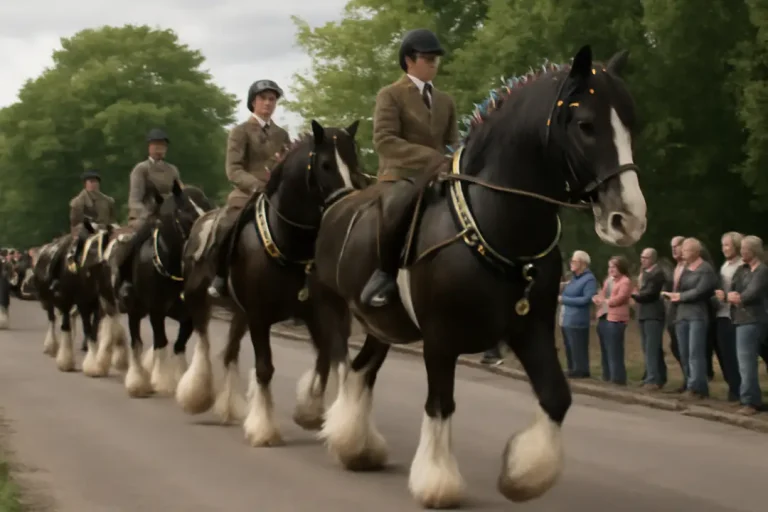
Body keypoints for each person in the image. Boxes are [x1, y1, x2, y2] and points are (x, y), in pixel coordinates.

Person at [358, 28, 459, 308]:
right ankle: (384, 274)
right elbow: (385, 140)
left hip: (440, 175)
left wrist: (456, 159)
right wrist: (431, 158)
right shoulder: (390, 95)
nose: (434, 64)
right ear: (409, 60)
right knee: (398, 207)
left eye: (436, 59)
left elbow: (452, 142)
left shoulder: (446, 101)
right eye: (428, 58)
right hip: (400, 176)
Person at [207, 79, 291, 298]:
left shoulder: (282, 134)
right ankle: (220, 277)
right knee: (227, 224)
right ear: (253, 102)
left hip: (277, 195)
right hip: (246, 193)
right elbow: (233, 170)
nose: (268, 103)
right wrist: (256, 186)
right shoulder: (240, 131)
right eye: (263, 98)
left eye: (272, 99)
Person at [116, 128, 182, 301]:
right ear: (149, 147)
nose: (160, 149)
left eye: (163, 145)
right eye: (156, 145)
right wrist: (148, 214)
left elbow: (179, 194)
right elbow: (134, 200)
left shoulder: (172, 170)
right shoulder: (141, 169)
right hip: (145, 215)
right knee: (134, 240)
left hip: (168, 215)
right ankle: (126, 280)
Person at [663, 237, 717, 398]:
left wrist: (679, 296)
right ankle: (689, 383)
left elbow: (700, 291)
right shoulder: (684, 268)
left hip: (697, 315)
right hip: (681, 315)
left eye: (686, 250)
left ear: (695, 252)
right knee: (684, 352)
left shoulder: (705, 269)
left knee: (695, 352)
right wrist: (672, 296)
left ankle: (698, 388)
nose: (682, 252)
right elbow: (678, 288)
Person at [48, 170, 116, 294]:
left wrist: (113, 226)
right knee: (62, 248)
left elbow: (111, 218)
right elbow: (75, 222)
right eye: (90, 182)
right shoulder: (78, 201)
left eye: (95, 182)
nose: (93, 184)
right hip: (84, 229)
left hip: (105, 229)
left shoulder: (108, 200)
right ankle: (55, 279)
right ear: (85, 184)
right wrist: (91, 226)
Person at [727, 235, 768, 415]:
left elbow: (752, 293)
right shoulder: (742, 270)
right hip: (740, 318)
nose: (741, 252)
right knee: (743, 361)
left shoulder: (762, 271)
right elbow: (733, 287)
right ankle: (747, 397)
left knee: (747, 362)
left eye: (745, 249)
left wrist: (738, 298)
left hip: (754, 319)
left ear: (754, 250)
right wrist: (732, 296)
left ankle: (751, 401)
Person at [632, 248, 667, 389]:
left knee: (651, 348)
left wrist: (634, 295)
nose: (642, 260)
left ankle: (652, 379)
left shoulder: (657, 273)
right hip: (643, 314)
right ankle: (654, 376)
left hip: (653, 315)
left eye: (645, 257)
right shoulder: (644, 273)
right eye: (641, 257)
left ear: (653, 258)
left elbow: (650, 293)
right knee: (648, 348)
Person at [593, 256, 632, 385]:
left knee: (615, 349)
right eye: (609, 267)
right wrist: (597, 298)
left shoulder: (625, 281)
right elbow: (602, 295)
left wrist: (604, 301)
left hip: (617, 319)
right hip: (604, 316)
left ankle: (618, 378)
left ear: (621, 268)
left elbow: (619, 299)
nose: (611, 270)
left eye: (614, 267)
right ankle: (607, 375)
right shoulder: (609, 280)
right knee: (605, 348)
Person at [559, 250, 598, 378]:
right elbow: (566, 292)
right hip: (567, 318)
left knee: (578, 347)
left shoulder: (589, 279)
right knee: (569, 346)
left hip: (578, 320)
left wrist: (563, 300)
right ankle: (572, 368)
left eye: (574, 261)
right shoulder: (573, 279)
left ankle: (581, 370)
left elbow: (586, 299)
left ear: (583, 264)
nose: (571, 263)